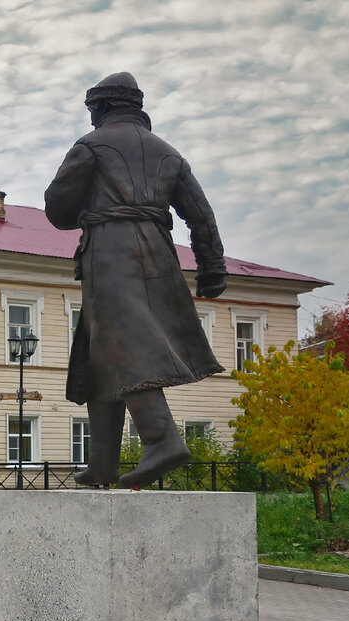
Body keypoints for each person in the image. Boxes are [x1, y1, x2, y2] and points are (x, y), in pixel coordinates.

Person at [45, 72, 227, 489]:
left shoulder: (91, 146)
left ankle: (162, 439)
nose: (91, 118)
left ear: (104, 106)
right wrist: (211, 266)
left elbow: (57, 209)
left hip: (111, 252)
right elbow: (200, 214)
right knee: (99, 353)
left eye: (92, 109)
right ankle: (104, 463)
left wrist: (90, 207)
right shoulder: (169, 153)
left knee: (123, 345)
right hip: (159, 254)